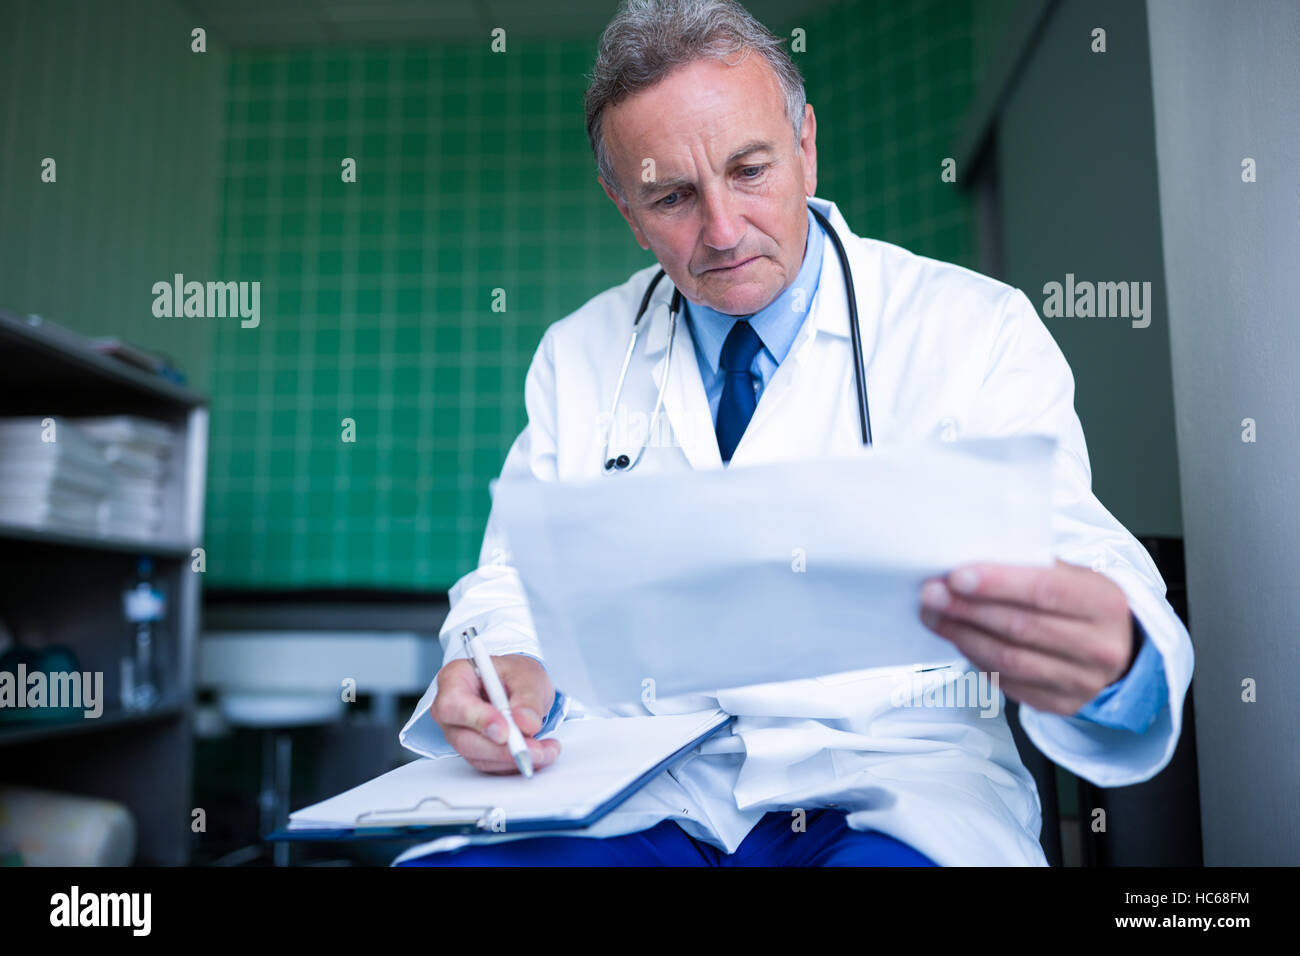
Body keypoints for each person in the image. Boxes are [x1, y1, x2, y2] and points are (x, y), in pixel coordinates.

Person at [395, 0, 1192, 866]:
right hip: (631, 786)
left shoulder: (972, 328)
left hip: (886, 784)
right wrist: (505, 663)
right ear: (625, 208)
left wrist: (1116, 661)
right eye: (671, 196)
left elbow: (1079, 553)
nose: (725, 232)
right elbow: (514, 576)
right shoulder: (580, 353)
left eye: (748, 170)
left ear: (805, 145)